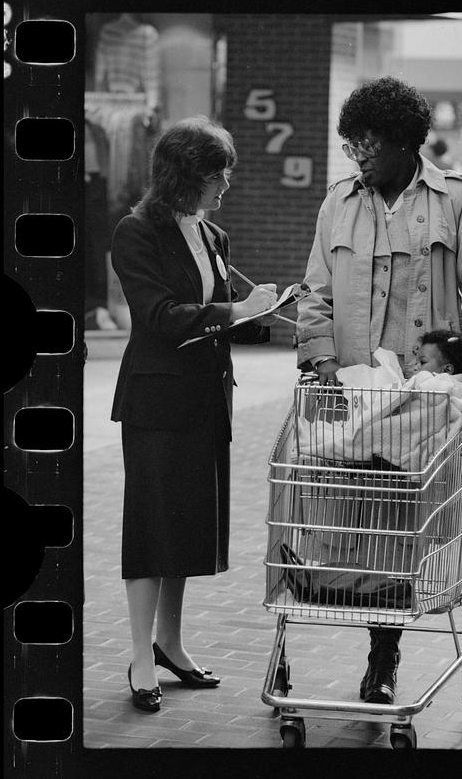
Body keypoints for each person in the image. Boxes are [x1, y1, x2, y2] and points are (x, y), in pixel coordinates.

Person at [296, 76, 462, 706]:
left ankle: (383, 653)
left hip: (423, 396)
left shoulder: (454, 199)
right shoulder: (339, 202)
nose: (358, 155)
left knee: (402, 521)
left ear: (404, 142)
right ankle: (364, 621)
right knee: (353, 518)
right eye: (351, 143)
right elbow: (316, 291)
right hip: (357, 392)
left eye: (369, 144)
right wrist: (322, 360)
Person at [110, 115, 278, 712]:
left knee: (183, 527)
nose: (225, 184)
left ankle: (170, 645)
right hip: (156, 401)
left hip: (205, 399)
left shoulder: (212, 234)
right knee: (150, 526)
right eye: (217, 174)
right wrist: (235, 312)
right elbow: (160, 317)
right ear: (185, 174)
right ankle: (140, 657)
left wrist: (271, 312)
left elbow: (220, 317)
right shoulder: (136, 232)